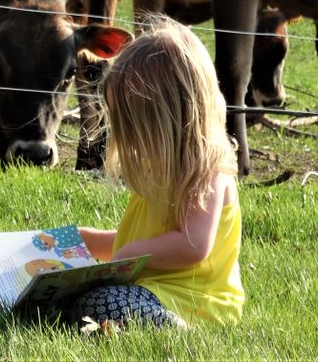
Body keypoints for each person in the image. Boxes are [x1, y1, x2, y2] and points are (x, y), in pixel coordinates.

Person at [76, 17, 244, 328]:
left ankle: (173, 327)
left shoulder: (207, 170)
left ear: (167, 122)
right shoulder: (161, 168)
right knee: (78, 301)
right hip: (152, 291)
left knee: (98, 302)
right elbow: (149, 240)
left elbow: (193, 245)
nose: (132, 142)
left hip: (194, 302)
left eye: (136, 129)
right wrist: (88, 241)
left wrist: (130, 253)